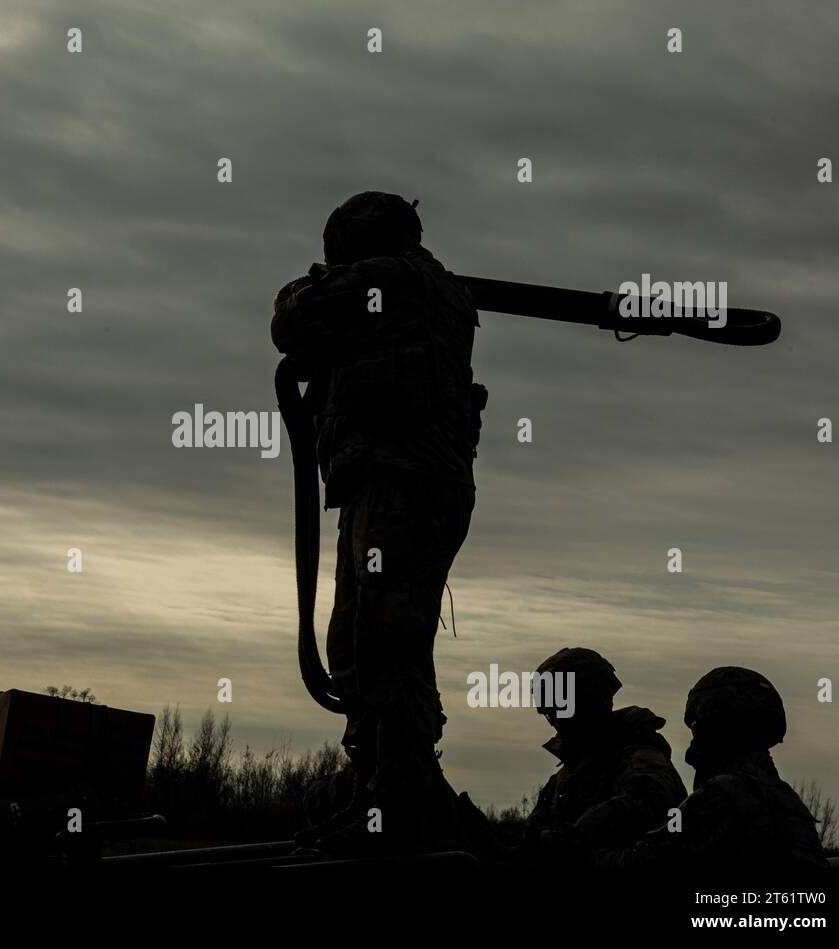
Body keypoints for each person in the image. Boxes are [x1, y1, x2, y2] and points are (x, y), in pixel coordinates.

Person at [272, 191, 481, 851]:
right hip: (387, 484)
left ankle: (398, 807)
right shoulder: (428, 289)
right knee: (359, 649)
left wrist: (299, 292)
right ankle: (383, 797)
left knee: (384, 646)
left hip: (403, 483)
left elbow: (293, 325)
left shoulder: (391, 278)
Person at [599, 666, 827, 868]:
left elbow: (645, 862)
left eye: (697, 726)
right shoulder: (788, 802)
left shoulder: (725, 795)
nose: (693, 741)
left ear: (717, 726)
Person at [522, 647, 687, 866]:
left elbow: (651, 801)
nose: (555, 721)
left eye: (562, 708)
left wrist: (577, 836)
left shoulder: (640, 759)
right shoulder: (566, 776)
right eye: (549, 712)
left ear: (593, 702)